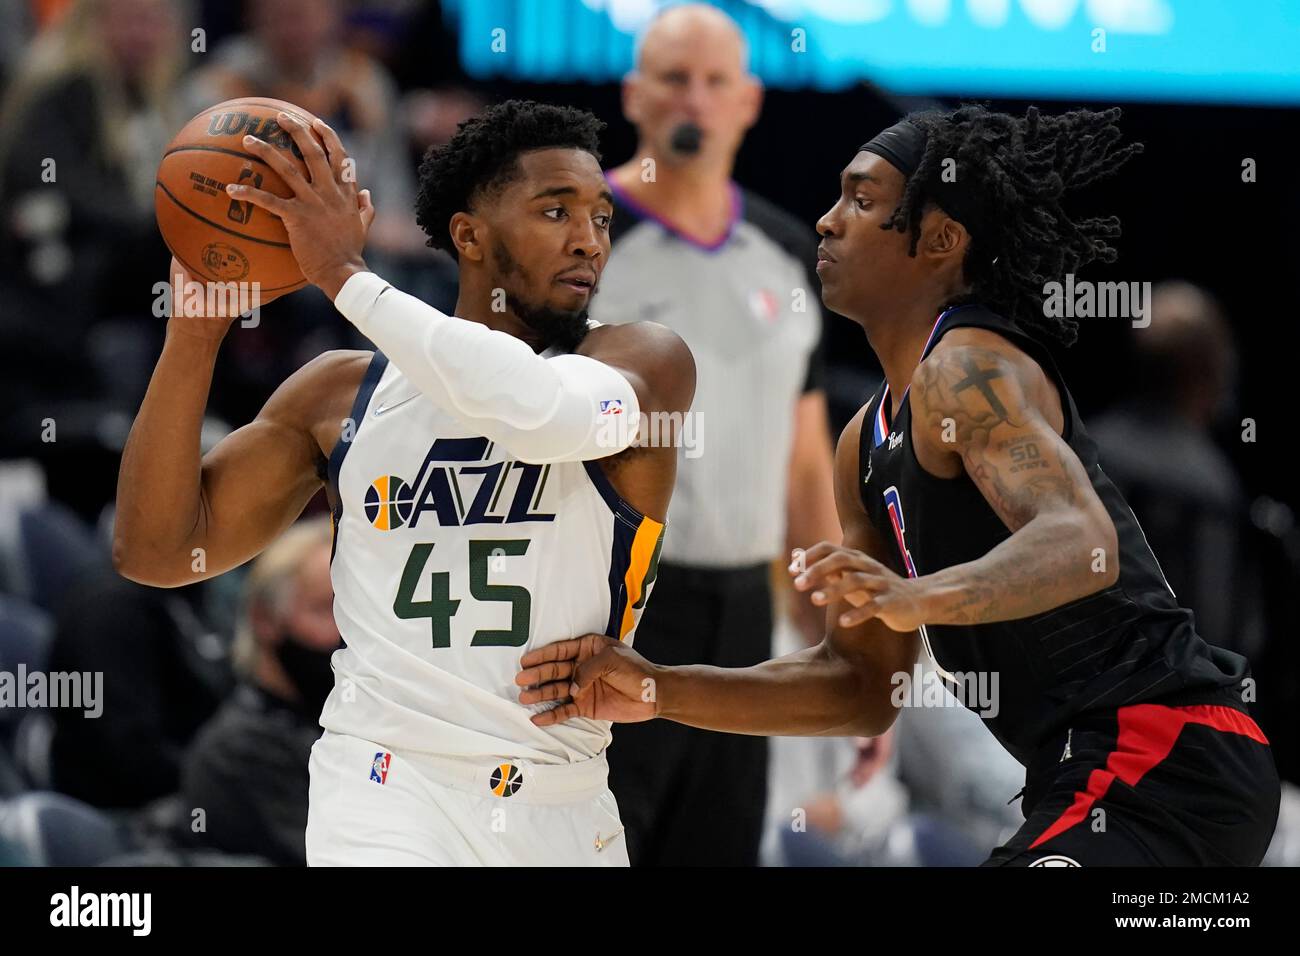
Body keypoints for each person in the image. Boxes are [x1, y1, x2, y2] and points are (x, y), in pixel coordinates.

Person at [517, 105, 1281, 866]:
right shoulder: (866, 444)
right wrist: (656, 688)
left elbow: (1083, 541)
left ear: (941, 240)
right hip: (1084, 773)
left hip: (1167, 749)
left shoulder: (966, 367)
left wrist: (917, 596)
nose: (824, 221)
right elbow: (858, 687)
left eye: (861, 199)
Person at [114, 99, 695, 866]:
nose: (588, 240)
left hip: (560, 796)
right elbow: (156, 551)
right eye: (556, 212)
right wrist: (194, 336)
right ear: (469, 235)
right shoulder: (337, 396)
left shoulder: (644, 362)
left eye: (600, 217)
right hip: (381, 787)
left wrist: (346, 279)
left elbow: (540, 413)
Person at [589, 2, 839, 866]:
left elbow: (806, 463)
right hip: (609, 603)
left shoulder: (784, 251)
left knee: (721, 847)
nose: (693, 98)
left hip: (745, 613)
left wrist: (849, 638)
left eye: (714, 81)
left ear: (749, 102)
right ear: (635, 94)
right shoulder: (579, 238)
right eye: (673, 77)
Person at [181, 516, 339, 866]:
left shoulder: (341, 721)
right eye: (326, 609)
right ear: (266, 620)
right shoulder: (242, 750)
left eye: (353, 610)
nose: (345, 632)